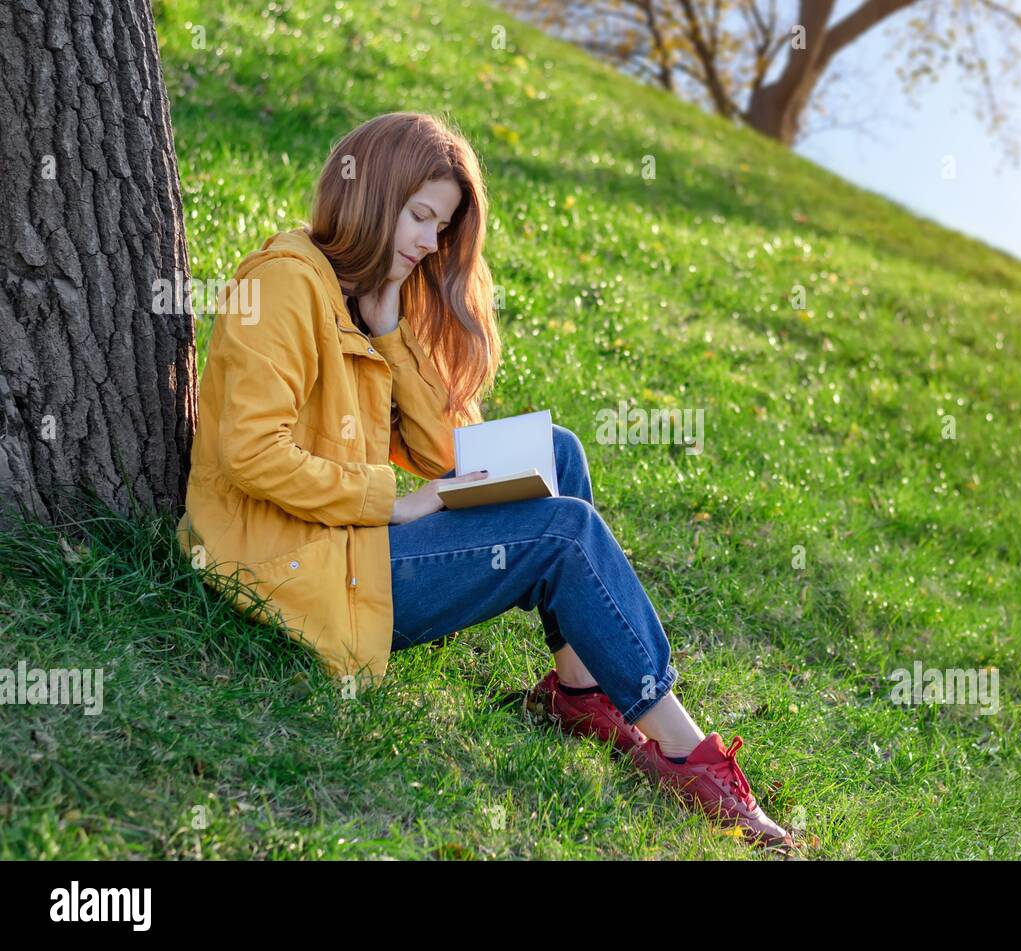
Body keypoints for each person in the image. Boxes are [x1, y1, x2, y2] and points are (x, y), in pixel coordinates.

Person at [176, 111, 789, 848]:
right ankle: (692, 758)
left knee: (554, 453)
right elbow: (250, 450)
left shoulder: (361, 295)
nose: (430, 244)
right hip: (297, 569)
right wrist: (391, 504)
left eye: (441, 227)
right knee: (563, 532)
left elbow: (442, 451)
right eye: (421, 217)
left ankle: (579, 692)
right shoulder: (283, 285)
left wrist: (391, 326)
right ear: (369, 194)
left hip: (344, 544)